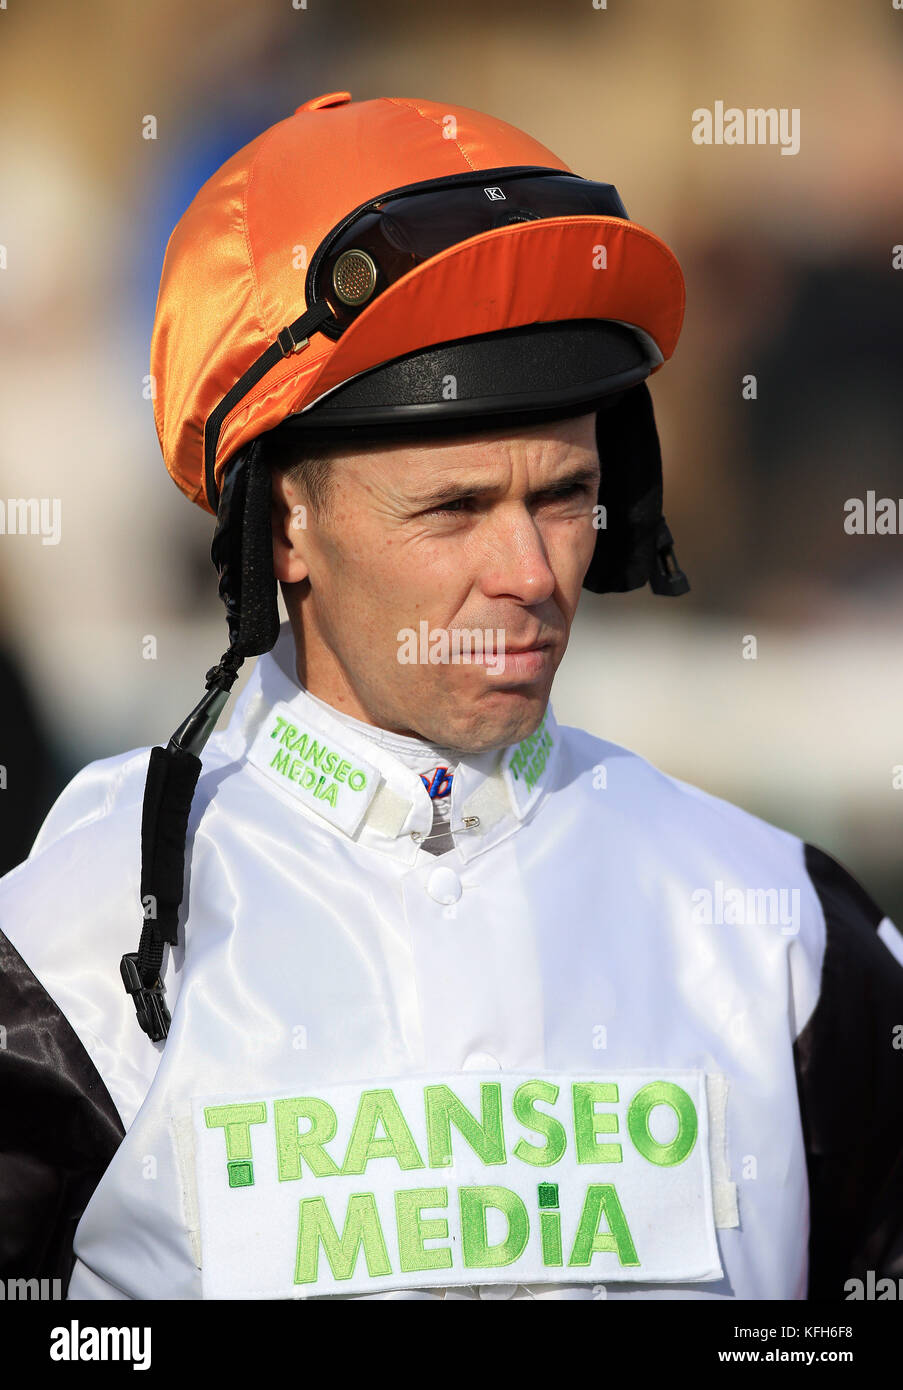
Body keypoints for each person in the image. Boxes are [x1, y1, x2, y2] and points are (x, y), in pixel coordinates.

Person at [1, 91, 901, 1303]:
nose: (531, 575)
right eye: (455, 508)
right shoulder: (66, 944)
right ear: (286, 527)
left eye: (564, 496)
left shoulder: (792, 938)